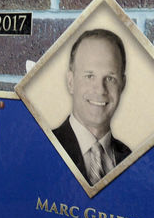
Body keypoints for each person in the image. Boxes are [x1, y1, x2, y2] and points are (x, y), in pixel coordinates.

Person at [52, 28, 131, 185]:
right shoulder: (45, 148)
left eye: (110, 78)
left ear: (122, 85)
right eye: (89, 76)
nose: (100, 90)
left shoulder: (132, 160)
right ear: (70, 81)